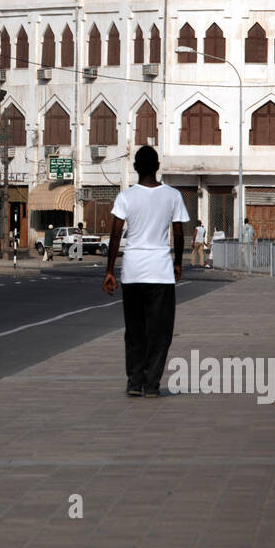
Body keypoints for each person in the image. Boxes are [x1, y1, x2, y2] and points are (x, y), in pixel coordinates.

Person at [102, 146, 189, 398]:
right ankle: (152, 384)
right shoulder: (173, 195)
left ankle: (134, 382)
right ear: (158, 166)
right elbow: (179, 233)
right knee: (160, 331)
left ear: (135, 168)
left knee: (135, 330)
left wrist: (109, 270)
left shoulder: (125, 197)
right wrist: (178, 263)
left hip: (133, 272)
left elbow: (116, 234)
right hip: (160, 272)